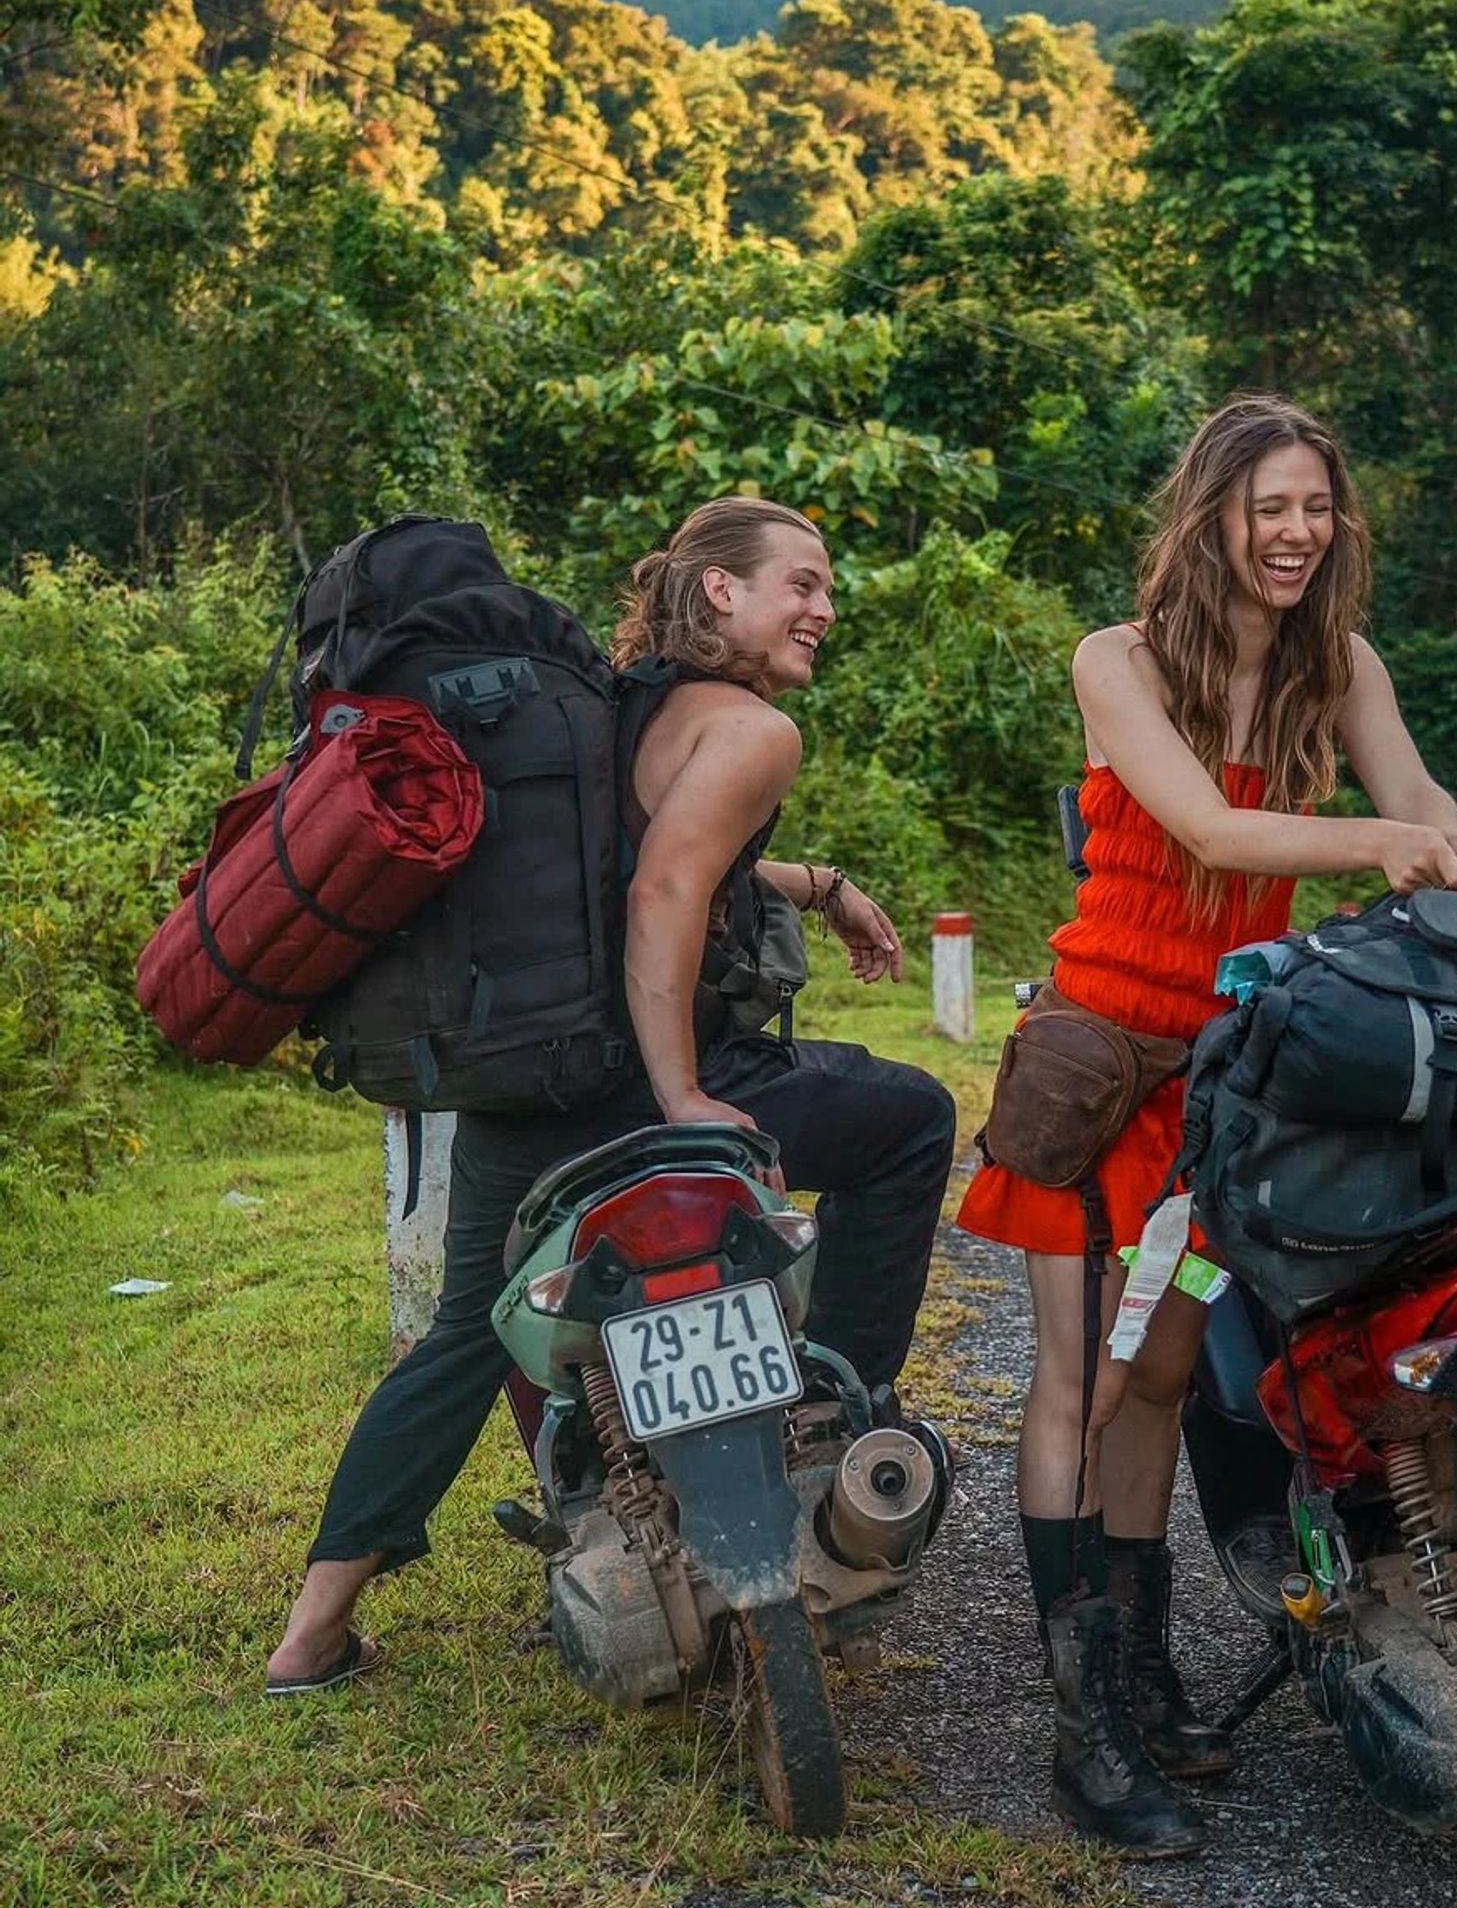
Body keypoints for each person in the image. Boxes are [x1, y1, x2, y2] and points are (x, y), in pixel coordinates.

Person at [957, 394, 1457, 1853]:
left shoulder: (1337, 664)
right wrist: (1383, 844)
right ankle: (1084, 1721)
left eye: (1316, 509)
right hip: (1097, 1070)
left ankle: (1146, 1671)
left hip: (1233, 1076)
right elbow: (1212, 835)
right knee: (1077, 1383)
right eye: (1268, 507)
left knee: (1161, 1362)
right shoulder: (1122, 660)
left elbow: (1416, 794)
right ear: (1212, 513)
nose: (1295, 533)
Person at [266, 498, 956, 1694]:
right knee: (911, 1121)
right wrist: (682, 1088)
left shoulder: (606, 705)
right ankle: (831, 1422)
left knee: (458, 1339)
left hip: (532, 1087)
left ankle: (312, 1631)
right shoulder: (754, 733)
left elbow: (650, 861)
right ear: (722, 591)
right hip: (660, 1080)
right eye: (802, 583)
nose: (825, 609)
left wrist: (819, 882)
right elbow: (659, 899)